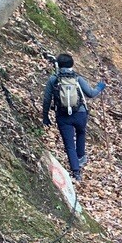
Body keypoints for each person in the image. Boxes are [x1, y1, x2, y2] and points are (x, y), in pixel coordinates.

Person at [42, 53, 106, 181]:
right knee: (81, 133)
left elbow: (47, 100)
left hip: (63, 116)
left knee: (69, 145)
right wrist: (100, 87)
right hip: (80, 114)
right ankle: (81, 158)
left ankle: (76, 172)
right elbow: (91, 93)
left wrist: (45, 116)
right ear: (72, 64)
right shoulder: (77, 78)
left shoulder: (53, 79)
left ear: (58, 65)